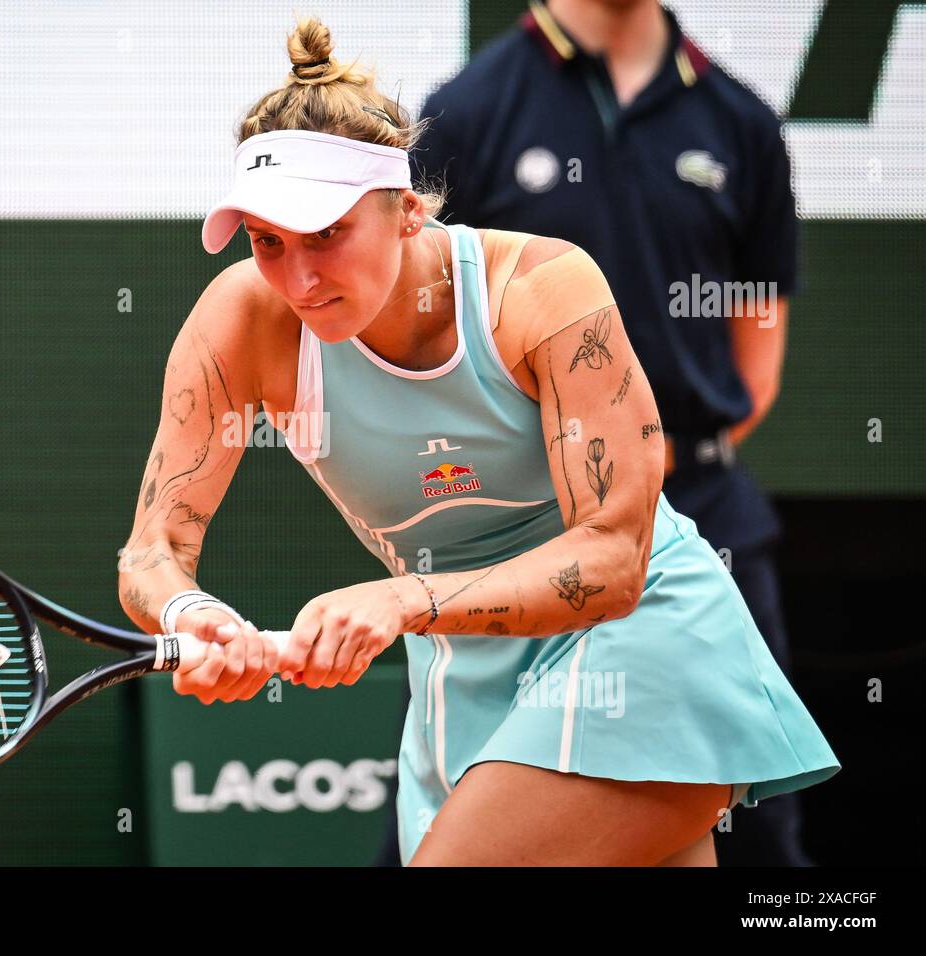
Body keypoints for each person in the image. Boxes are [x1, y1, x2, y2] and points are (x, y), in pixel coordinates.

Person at [117, 16, 839, 866]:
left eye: (326, 235)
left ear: (408, 211)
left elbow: (612, 563)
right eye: (267, 242)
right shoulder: (241, 317)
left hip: (643, 647)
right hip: (466, 677)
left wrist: (400, 603)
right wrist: (194, 614)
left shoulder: (540, 288)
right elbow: (152, 550)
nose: (299, 277)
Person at [407, 0, 810, 866]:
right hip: (522, 527)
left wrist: (633, 470)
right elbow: (421, 331)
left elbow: (756, 358)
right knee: (470, 819)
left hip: (701, 516)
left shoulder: (739, 121)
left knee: (757, 840)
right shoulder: (467, 111)